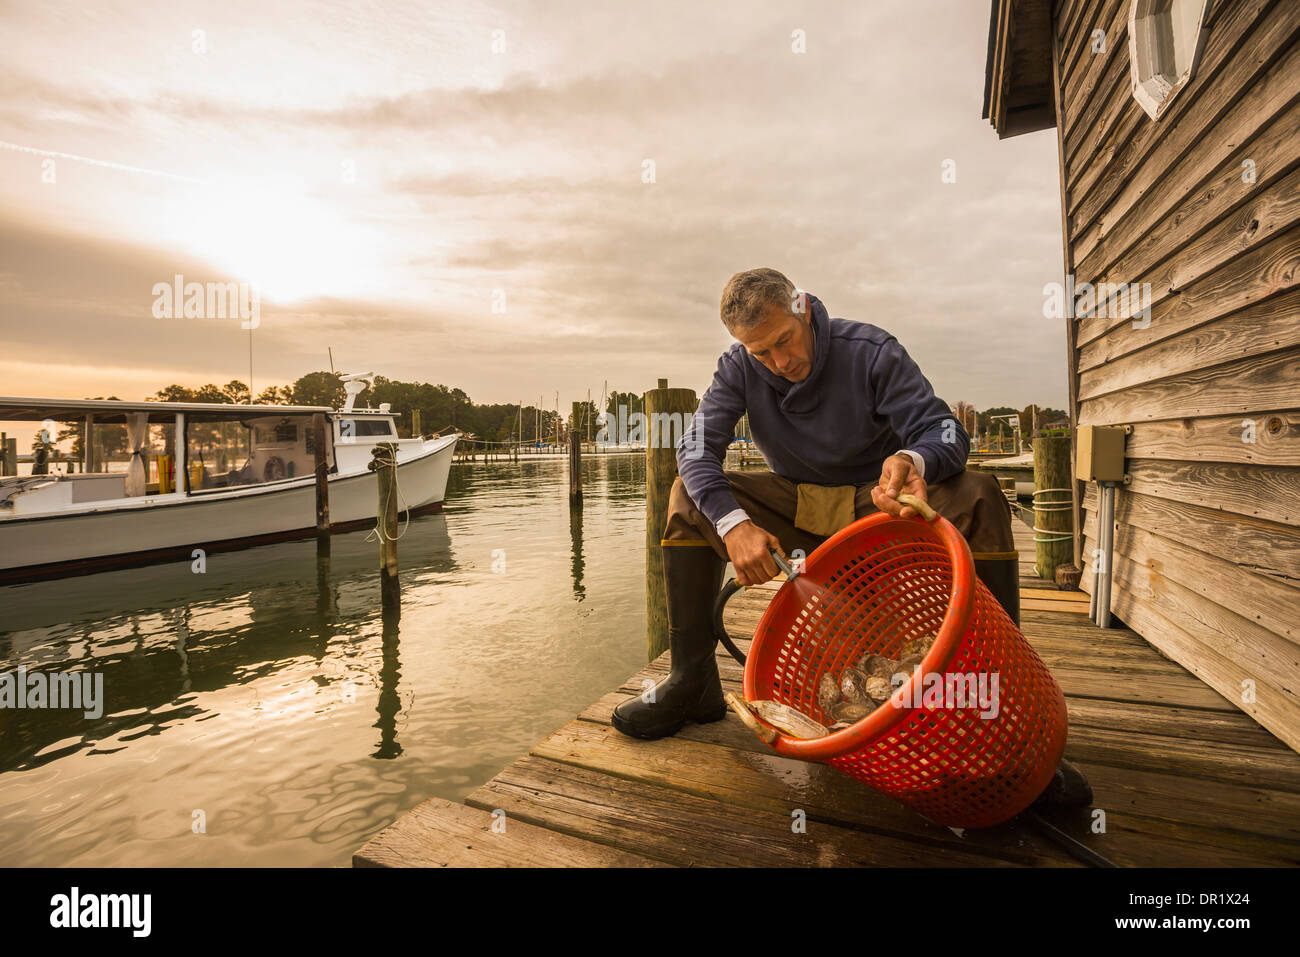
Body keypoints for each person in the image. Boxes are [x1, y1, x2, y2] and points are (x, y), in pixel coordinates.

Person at [612, 267, 1021, 741]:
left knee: (980, 494)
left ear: (802, 307)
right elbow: (696, 448)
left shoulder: (872, 350)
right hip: (798, 506)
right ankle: (692, 682)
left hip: (882, 507)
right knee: (687, 498)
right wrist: (733, 525)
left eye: (785, 339)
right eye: (761, 351)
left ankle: (999, 695)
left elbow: (945, 432)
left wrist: (913, 459)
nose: (780, 361)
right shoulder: (738, 367)